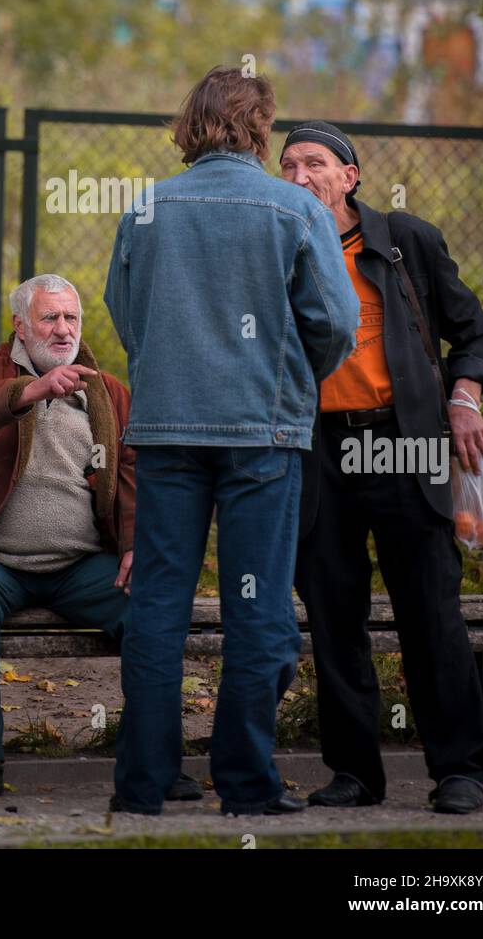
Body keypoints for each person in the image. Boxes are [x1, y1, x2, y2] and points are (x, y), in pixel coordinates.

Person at [103, 68, 360, 816]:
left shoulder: (146, 208)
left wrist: (168, 369)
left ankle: (143, 784)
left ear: (191, 123)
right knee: (259, 610)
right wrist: (286, 376)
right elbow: (336, 324)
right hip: (263, 432)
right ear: (258, 127)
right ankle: (245, 782)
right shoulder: (293, 210)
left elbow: (125, 314)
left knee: (156, 604)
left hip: (166, 428)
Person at [0, 275, 208, 800]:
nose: (62, 329)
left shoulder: (106, 391)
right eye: (49, 318)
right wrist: (28, 390)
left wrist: (132, 543)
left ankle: (155, 762)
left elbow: (131, 471)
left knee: (151, 601)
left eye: (71, 318)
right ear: (20, 326)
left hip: (79, 566)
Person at [280, 121, 483, 815]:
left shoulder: (406, 240)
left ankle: (460, 770)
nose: (298, 175)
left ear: (349, 175)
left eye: (314, 162)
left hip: (405, 445)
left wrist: (463, 401)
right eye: (285, 165)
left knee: (430, 610)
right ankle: (353, 774)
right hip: (319, 451)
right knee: (333, 617)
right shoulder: (277, 251)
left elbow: (471, 334)